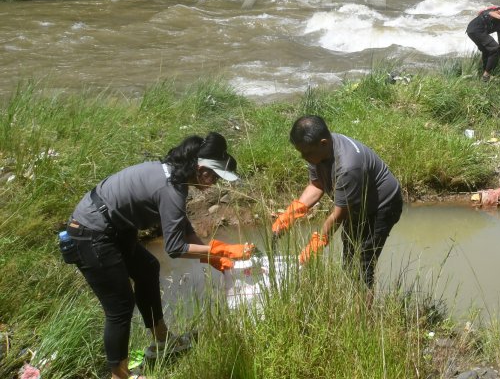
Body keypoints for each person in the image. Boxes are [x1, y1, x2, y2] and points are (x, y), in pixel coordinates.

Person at [63, 133, 252, 379]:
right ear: (200, 169)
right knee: (120, 307)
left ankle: (162, 340)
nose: (214, 183)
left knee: (147, 268)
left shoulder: (173, 177)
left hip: (115, 227)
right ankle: (118, 374)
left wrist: (209, 256)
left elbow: (181, 225)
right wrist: (220, 249)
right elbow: (174, 248)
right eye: (214, 177)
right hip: (91, 233)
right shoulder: (172, 189)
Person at [272, 115, 404, 289]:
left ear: (324, 143)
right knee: (350, 259)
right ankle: (354, 299)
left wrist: (318, 242)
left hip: (382, 206)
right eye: (301, 152)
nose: (303, 157)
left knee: (362, 264)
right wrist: (291, 214)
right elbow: (317, 185)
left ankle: (364, 314)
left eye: (306, 153)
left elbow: (340, 214)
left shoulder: (348, 166)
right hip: (356, 203)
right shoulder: (318, 151)